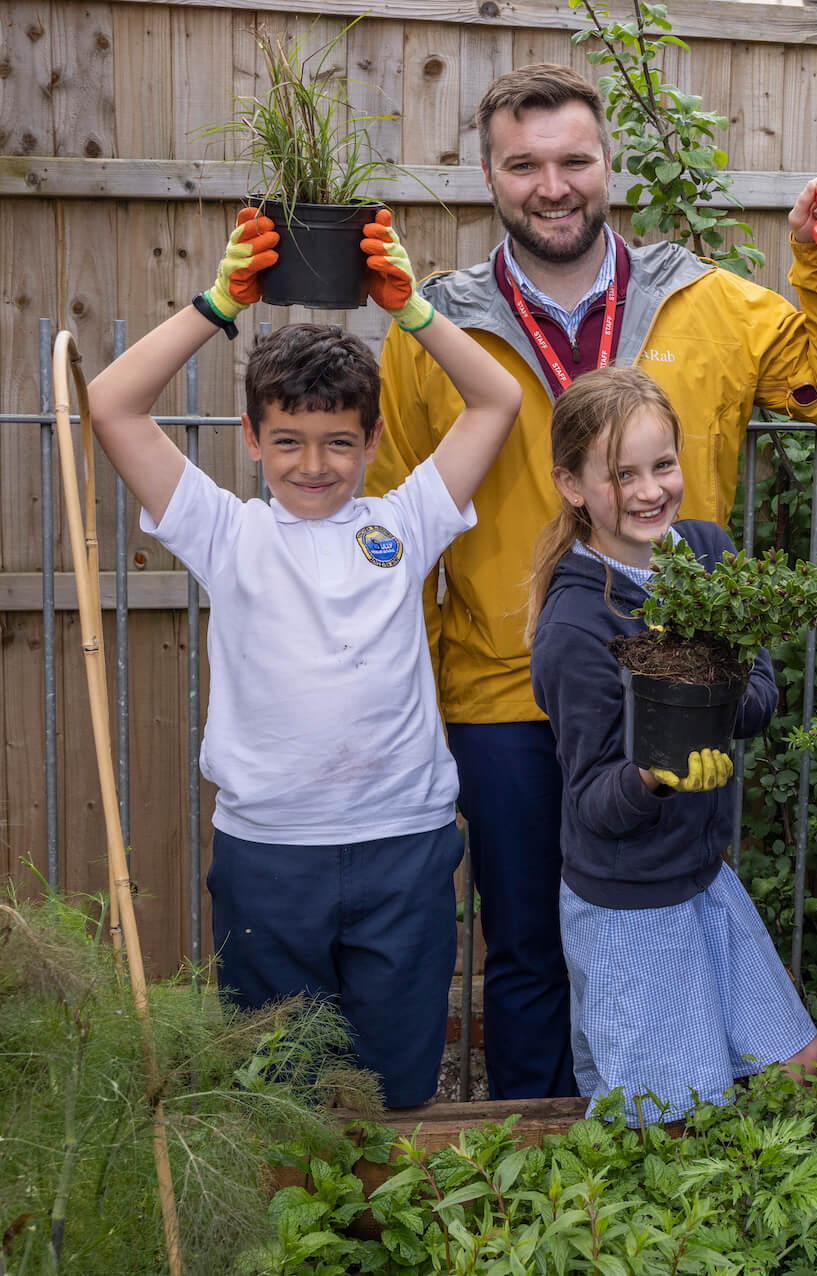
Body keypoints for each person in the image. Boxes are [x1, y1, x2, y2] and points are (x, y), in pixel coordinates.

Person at [369, 63, 817, 1098]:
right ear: (489, 176)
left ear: (609, 166)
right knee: (522, 949)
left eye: (573, 159)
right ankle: (543, 1172)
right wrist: (406, 709)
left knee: (668, 914)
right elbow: (396, 537)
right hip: (504, 693)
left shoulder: (708, 303)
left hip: (671, 691)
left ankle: (657, 1144)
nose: (551, 184)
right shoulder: (435, 330)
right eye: (525, 165)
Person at [84, 208, 523, 1107]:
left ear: (371, 441)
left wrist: (412, 312)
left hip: (403, 844)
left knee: (398, 1079)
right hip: (269, 855)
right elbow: (113, 403)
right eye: (287, 441)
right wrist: (219, 302)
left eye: (338, 443)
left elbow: (497, 401)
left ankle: (385, 1234)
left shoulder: (406, 521)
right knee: (276, 1086)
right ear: (251, 441)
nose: (313, 464)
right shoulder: (224, 531)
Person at [526, 365, 817, 1124]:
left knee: (795, 1065)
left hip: (699, 875)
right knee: (667, 1126)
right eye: (622, 474)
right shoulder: (576, 626)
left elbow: (760, 696)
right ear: (570, 483)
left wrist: (712, 716)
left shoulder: (704, 550)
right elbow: (595, 802)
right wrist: (656, 773)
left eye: (663, 465)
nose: (652, 490)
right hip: (629, 903)